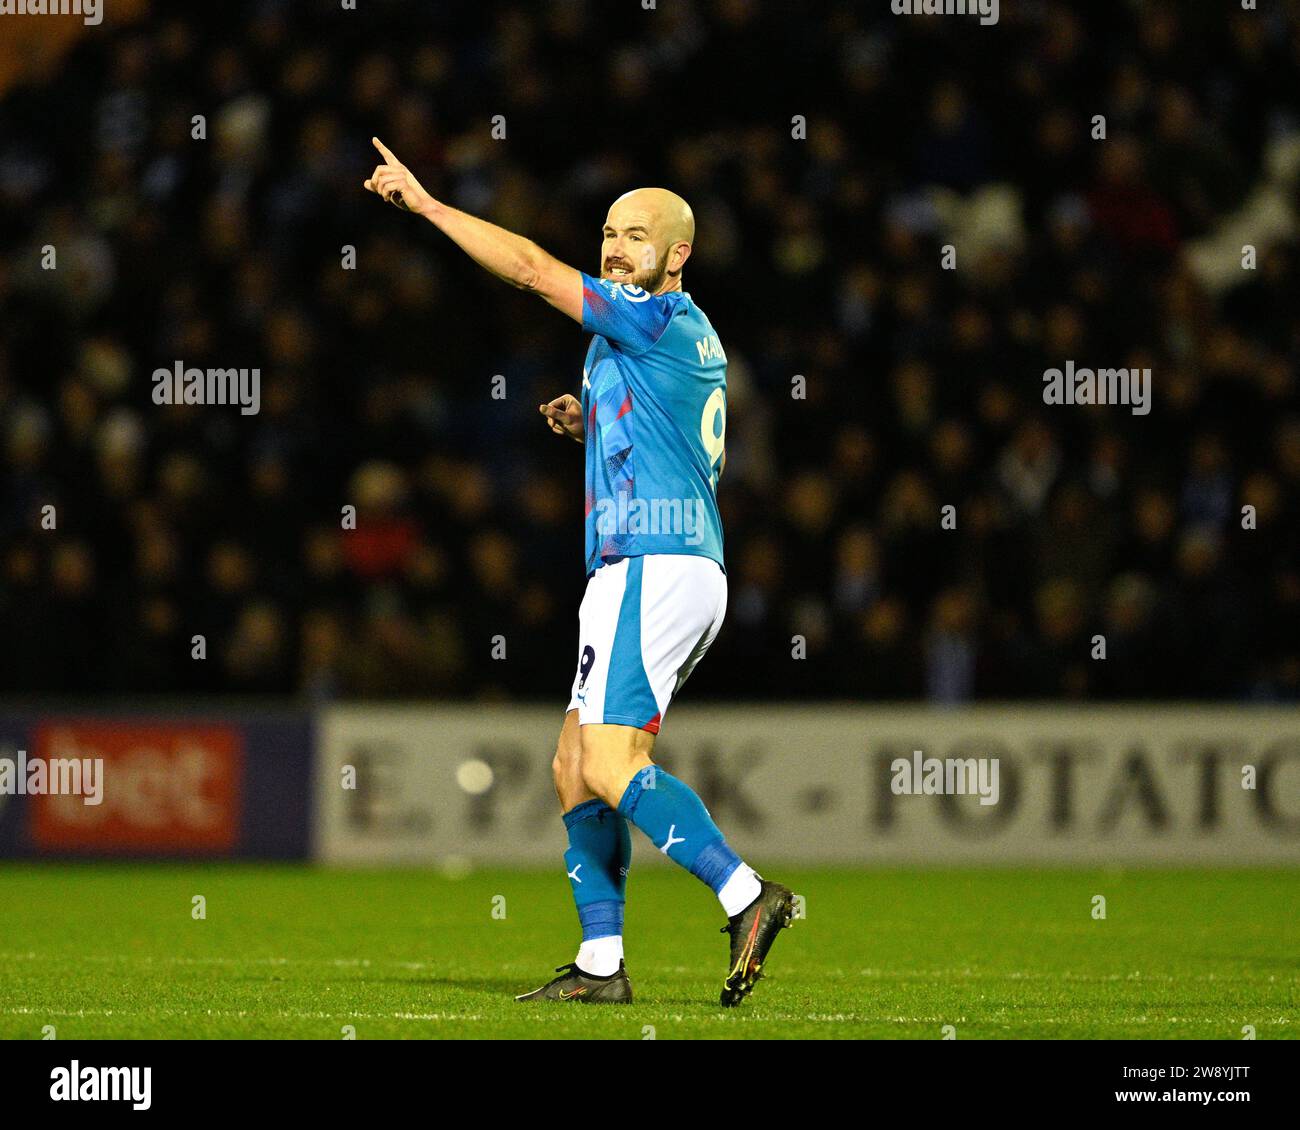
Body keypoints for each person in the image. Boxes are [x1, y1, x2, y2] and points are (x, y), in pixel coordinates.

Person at [365, 139, 794, 1006]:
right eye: (607, 232)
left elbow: (527, 268)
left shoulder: (653, 316)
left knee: (606, 761)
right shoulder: (658, 339)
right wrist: (588, 420)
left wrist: (431, 207)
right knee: (574, 763)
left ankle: (748, 895)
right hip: (666, 563)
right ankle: (601, 963)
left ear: (677, 255)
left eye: (635, 237)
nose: (613, 248)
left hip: (652, 565)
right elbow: (665, 435)